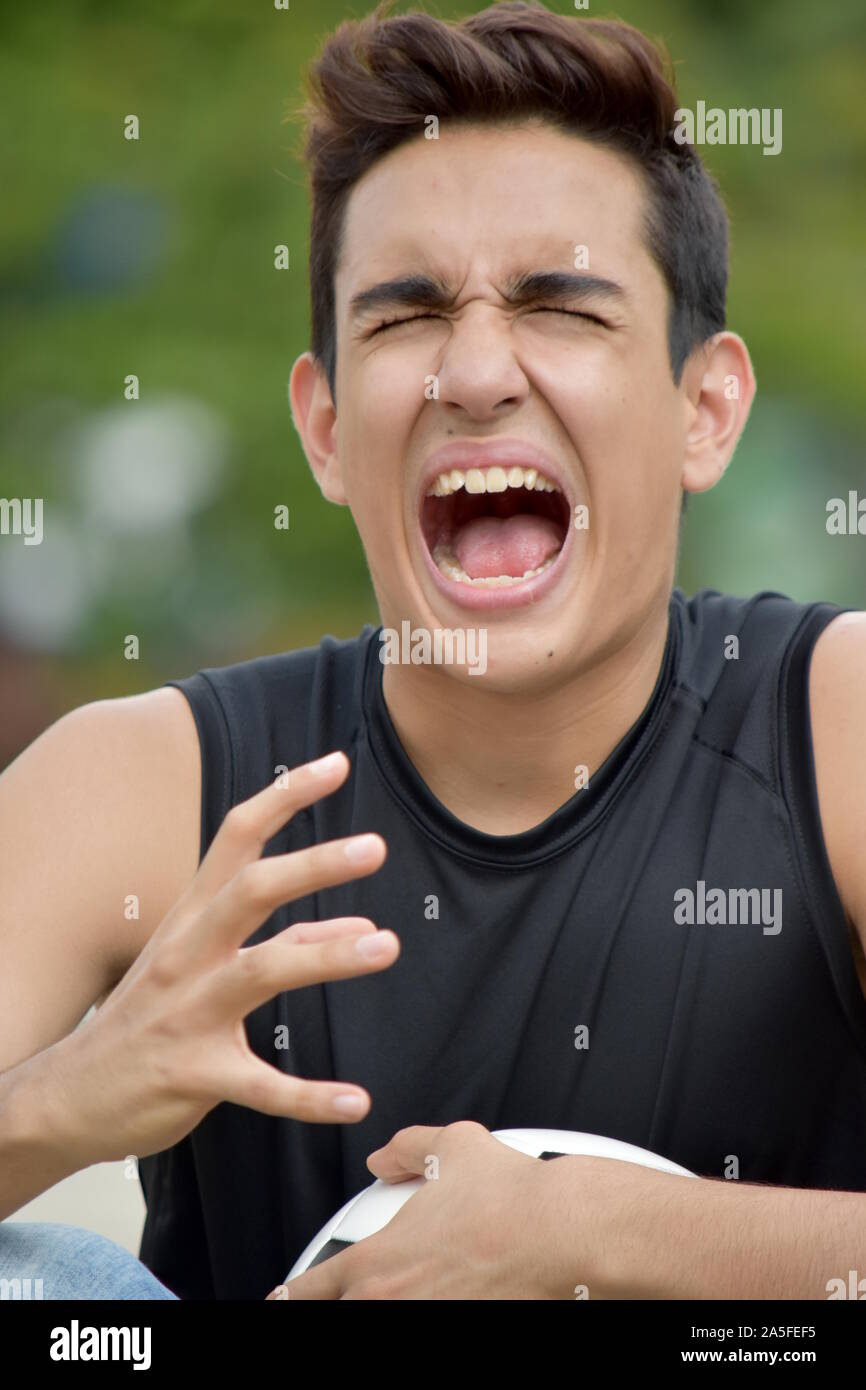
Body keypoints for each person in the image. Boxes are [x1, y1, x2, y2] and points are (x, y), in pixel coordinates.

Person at [2, 1, 865, 1302]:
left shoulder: (836, 729)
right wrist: (62, 1102)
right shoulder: (139, 784)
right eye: (404, 318)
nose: (473, 371)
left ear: (704, 407)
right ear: (327, 428)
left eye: (558, 305)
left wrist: (594, 1230)